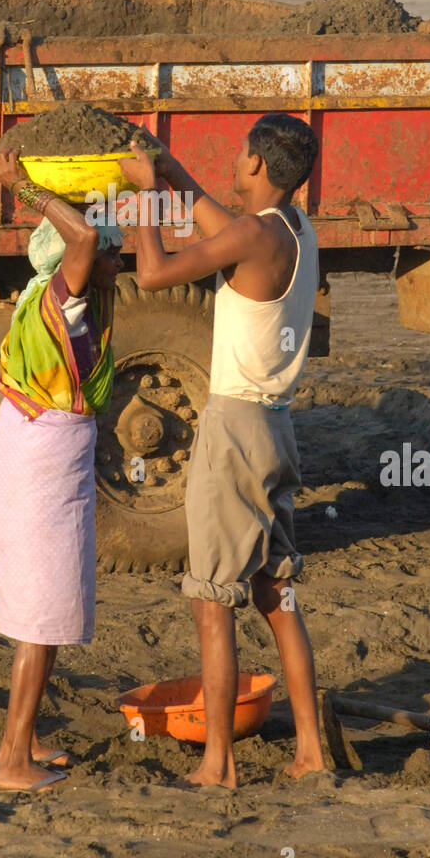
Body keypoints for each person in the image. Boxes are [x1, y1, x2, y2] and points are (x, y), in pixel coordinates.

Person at [120, 114, 325, 789]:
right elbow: (227, 230)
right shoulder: (293, 229)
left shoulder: (251, 233)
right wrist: (172, 173)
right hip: (276, 428)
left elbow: (151, 276)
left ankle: (218, 762)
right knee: (276, 591)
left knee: (213, 601)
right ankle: (311, 751)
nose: (233, 163)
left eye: (239, 155)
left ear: (260, 168)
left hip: (233, 429)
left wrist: (146, 198)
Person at [0, 149, 124, 792]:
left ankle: (26, 736)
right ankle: (12, 762)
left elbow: (90, 237)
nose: (116, 258)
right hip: (39, 465)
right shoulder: (64, 299)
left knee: (43, 609)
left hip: (25, 455)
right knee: (40, 618)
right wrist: (24, 188)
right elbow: (86, 236)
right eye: (110, 255)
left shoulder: (46, 295)